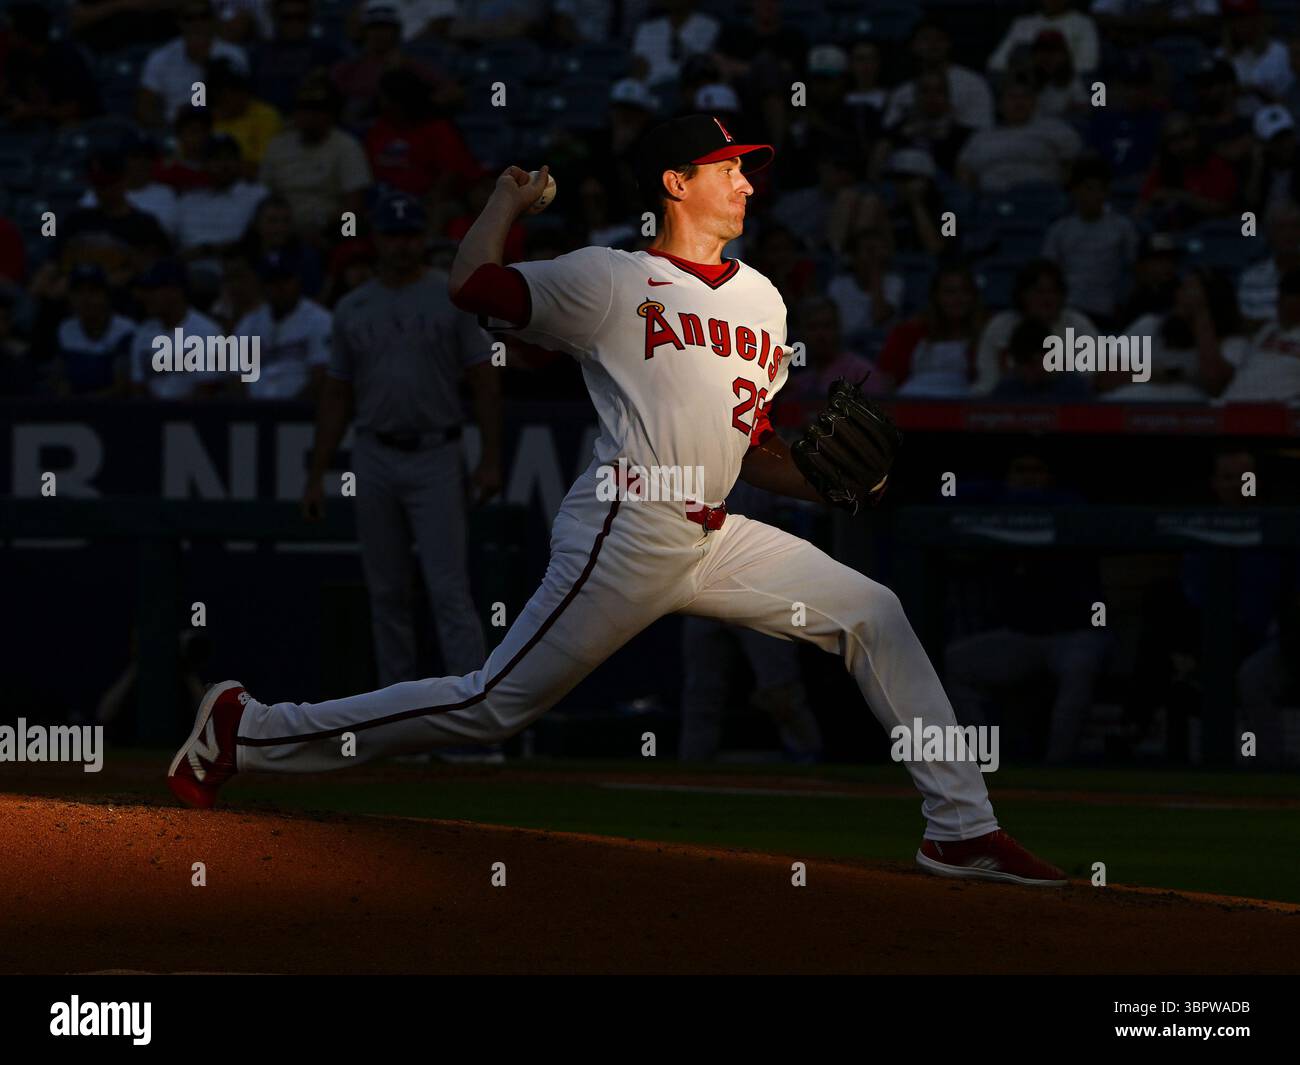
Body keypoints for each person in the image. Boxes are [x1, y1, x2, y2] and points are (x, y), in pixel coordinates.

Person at [167, 113, 1068, 888]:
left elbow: (752, 448)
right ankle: (248, 730)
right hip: (627, 524)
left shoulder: (765, 301)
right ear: (677, 183)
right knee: (493, 705)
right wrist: (506, 205)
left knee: (875, 611)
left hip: (716, 534)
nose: (748, 181)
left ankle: (959, 826)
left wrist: (838, 481)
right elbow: (473, 287)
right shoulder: (607, 278)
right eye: (729, 169)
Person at [300, 191, 503, 707]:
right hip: (373, 451)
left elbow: (483, 380)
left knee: (448, 590)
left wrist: (491, 456)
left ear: (422, 238)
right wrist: (318, 470)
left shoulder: (450, 295)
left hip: (436, 450)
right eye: (392, 235)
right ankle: (395, 718)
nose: (401, 245)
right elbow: (337, 393)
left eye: (410, 234)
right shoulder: (353, 306)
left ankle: (470, 718)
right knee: (386, 592)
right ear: (377, 241)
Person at [259, 75, 373, 244]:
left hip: (328, 234)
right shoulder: (278, 145)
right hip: (282, 233)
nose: (309, 116)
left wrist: (342, 239)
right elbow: (263, 196)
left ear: (330, 114)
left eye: (317, 110)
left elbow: (354, 208)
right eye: (304, 109)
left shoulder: (347, 147)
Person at [1103, 267, 1247, 400]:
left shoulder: (1233, 343)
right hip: (1128, 410)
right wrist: (1170, 375)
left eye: (1192, 291)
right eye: (1183, 288)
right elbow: (1105, 378)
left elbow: (1216, 386)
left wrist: (1200, 314)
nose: (1181, 296)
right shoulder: (1149, 325)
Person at [1041, 155, 1138, 327]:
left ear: (1107, 193)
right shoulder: (1059, 229)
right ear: (1075, 191)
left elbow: (1134, 268)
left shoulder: (1123, 228)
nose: (1094, 195)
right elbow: (1048, 272)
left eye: (1099, 189)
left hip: (1108, 311)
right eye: (1088, 188)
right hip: (1067, 310)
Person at [974, 259, 1097, 394]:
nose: (1047, 298)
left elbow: (1089, 377)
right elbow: (988, 380)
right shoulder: (1001, 325)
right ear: (1022, 294)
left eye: (1053, 291)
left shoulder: (1078, 324)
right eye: (1039, 291)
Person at [956, 76, 1082, 193]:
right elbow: (964, 170)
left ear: (1034, 102)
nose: (1019, 103)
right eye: (1012, 97)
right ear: (1000, 104)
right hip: (992, 201)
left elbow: (1073, 164)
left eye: (1025, 97)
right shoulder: (981, 137)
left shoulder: (1055, 128)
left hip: (1041, 198)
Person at [877, 263, 986, 397]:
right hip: (910, 404)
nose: (958, 298)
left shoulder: (985, 335)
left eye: (965, 291)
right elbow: (887, 378)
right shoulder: (907, 332)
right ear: (936, 296)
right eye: (950, 292)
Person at [235, 249, 331, 399]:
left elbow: (322, 378)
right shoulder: (250, 322)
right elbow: (236, 378)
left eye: (285, 280)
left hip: (301, 415)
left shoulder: (320, 320)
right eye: (272, 282)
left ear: (298, 280)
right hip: (253, 414)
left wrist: (288, 412)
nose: (279, 288)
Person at [138, 0, 250, 128]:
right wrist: (170, 128)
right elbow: (145, 108)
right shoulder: (160, 57)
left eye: (203, 16)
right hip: (175, 131)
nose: (197, 23)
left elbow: (242, 103)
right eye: (190, 18)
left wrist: (206, 65)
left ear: (213, 19)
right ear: (179, 22)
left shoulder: (233, 55)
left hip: (224, 127)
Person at [53, 265, 138, 397]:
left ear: (106, 296)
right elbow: (61, 381)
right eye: (79, 292)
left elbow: (123, 387)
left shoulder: (125, 329)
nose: (85, 298)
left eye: (93, 291)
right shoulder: (66, 329)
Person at [1221, 267, 1300, 401]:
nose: (1282, 303)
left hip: (1278, 411)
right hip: (1232, 406)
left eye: (1292, 295)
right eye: (1282, 295)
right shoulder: (1269, 328)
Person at [1237, 197, 1300, 329]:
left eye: (1295, 227)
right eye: (1282, 227)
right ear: (1270, 234)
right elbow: (1247, 327)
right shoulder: (1251, 279)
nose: (1289, 234)